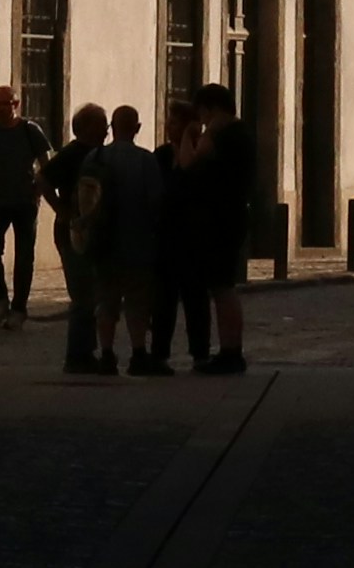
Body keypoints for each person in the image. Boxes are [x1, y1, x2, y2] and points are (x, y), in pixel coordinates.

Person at [159, 85, 254, 376]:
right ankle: (230, 349)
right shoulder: (242, 133)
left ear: (209, 109)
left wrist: (190, 135)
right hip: (233, 214)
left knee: (222, 288)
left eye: (201, 113)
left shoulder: (220, 133)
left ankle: (230, 351)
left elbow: (188, 163)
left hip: (220, 218)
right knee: (223, 287)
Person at [94, 105, 172, 374]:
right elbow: (156, 201)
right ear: (137, 128)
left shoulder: (95, 157)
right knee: (137, 302)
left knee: (106, 302)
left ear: (111, 128)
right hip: (138, 242)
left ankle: (106, 354)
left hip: (103, 243)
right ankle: (138, 354)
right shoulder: (145, 160)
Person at [45, 110, 123, 373]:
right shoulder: (73, 153)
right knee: (82, 295)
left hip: (93, 231)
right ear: (87, 127)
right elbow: (42, 179)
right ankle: (78, 354)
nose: (106, 130)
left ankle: (87, 350)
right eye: (101, 125)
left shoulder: (101, 155)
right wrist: (61, 209)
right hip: (75, 231)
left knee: (92, 293)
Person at [0, 85, 54, 322]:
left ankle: (19, 307)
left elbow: (46, 163)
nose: (2, 108)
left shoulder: (30, 130)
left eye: (6, 103)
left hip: (24, 201)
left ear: (16, 104)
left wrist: (40, 188)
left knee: (24, 255)